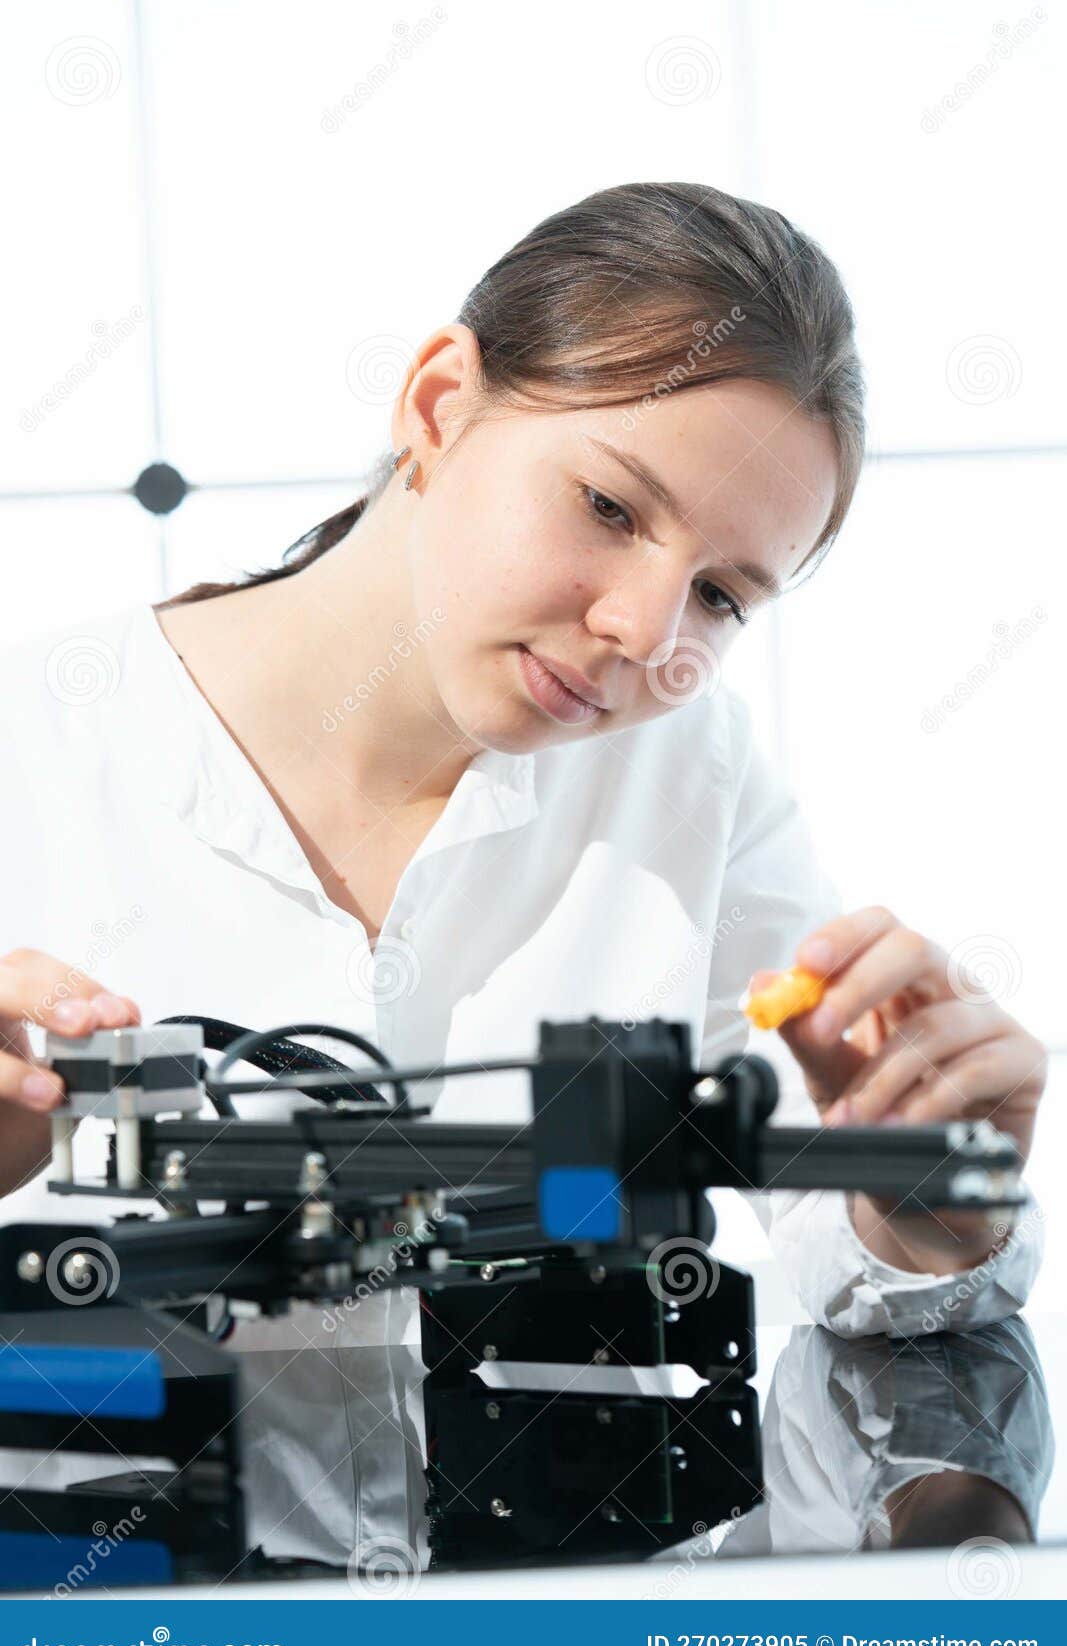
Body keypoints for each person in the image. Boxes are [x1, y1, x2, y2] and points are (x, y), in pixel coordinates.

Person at [0, 182, 1047, 1566]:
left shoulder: (694, 779)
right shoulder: (39, 743)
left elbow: (844, 1252)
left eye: (724, 595)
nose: (642, 631)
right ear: (438, 404)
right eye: (610, 504)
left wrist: (919, 1202)